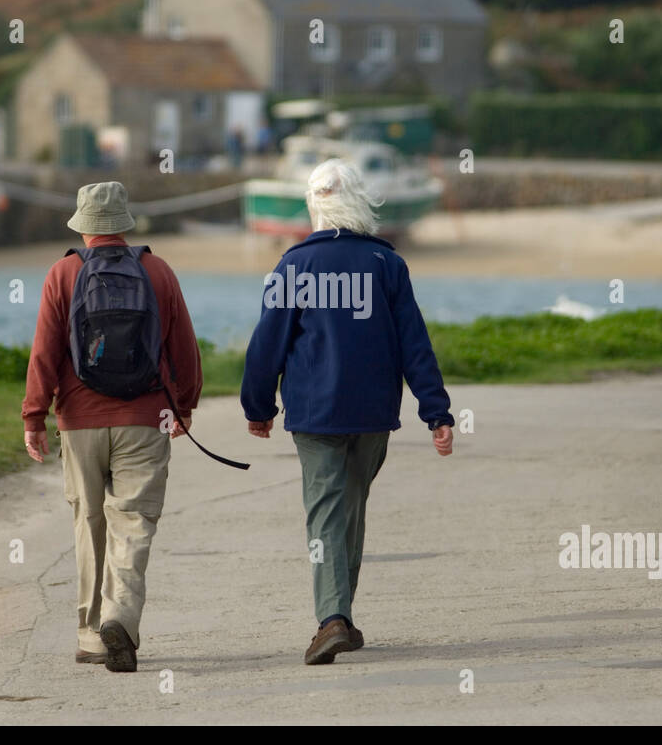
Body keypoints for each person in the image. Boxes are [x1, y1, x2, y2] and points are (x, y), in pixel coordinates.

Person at [240, 159, 455, 665]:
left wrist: (258, 405)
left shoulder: (293, 266)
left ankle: (332, 619)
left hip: (315, 412)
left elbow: (266, 343)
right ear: (361, 200)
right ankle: (339, 616)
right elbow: (414, 345)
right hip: (373, 411)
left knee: (326, 515)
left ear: (314, 204)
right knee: (349, 512)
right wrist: (436, 411)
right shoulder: (387, 265)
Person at [22, 181, 202, 673]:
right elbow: (184, 346)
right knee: (134, 522)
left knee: (90, 523)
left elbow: (44, 352)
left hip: (79, 423)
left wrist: (34, 416)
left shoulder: (63, 273)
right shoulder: (158, 271)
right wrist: (183, 405)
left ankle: (92, 636)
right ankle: (120, 616)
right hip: (145, 420)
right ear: (124, 225)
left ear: (83, 228)